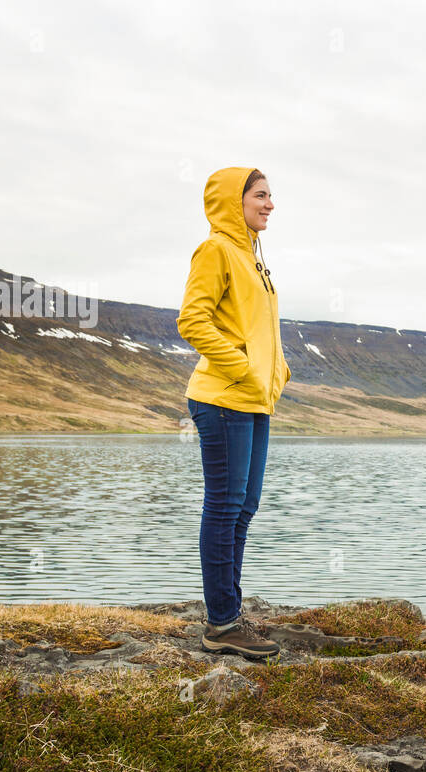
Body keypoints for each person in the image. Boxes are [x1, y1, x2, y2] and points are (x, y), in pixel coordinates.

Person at [177, 166, 292, 659]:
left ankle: (229, 613)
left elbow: (261, 328)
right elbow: (192, 321)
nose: (270, 204)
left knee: (244, 507)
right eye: (261, 196)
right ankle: (222, 623)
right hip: (222, 399)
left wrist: (277, 371)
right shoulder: (216, 250)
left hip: (253, 400)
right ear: (233, 200)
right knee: (224, 507)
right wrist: (243, 367)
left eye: (271, 196)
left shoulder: (255, 260)